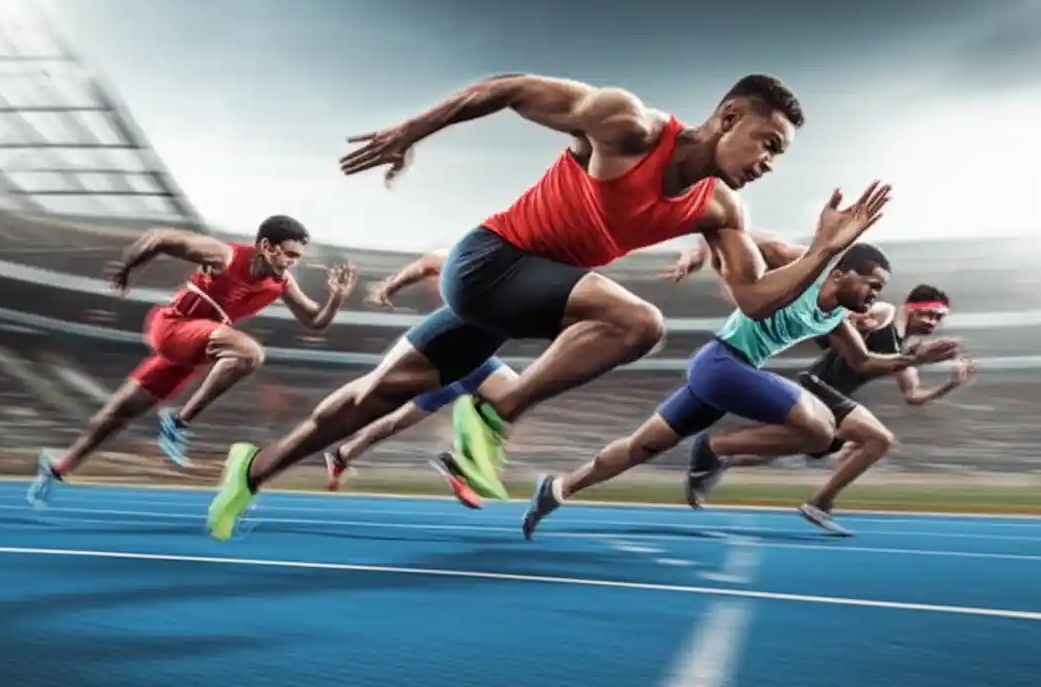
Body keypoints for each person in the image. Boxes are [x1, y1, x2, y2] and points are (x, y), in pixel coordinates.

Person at [206, 71, 890, 541]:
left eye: (782, 154)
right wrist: (414, 129)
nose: (770, 161)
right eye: (768, 143)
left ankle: (251, 472)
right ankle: (492, 414)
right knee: (638, 321)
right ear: (730, 116)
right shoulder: (628, 125)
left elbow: (755, 298)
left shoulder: (718, 207)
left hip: (517, 298)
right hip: (487, 263)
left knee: (377, 396)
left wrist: (824, 250)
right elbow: (511, 89)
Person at [520, 244, 962, 540]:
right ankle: (711, 451)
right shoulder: (800, 280)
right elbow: (742, 235)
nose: (875, 296)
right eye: (873, 285)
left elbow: (863, 362)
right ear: (842, 273)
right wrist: (700, 252)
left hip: (721, 376)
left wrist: (914, 361)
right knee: (820, 428)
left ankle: (557, 488)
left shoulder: (835, 319)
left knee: (641, 447)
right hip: (722, 362)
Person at [26, 215, 356, 507]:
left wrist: (336, 299)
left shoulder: (281, 282)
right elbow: (161, 238)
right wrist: (127, 269)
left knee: (118, 412)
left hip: (192, 349)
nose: (292, 263)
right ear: (266, 246)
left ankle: (57, 468)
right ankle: (179, 422)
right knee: (249, 353)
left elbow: (315, 321)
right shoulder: (225, 256)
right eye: (289, 254)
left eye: (298, 257)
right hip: (172, 326)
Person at [685, 284, 977, 536]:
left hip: (833, 399)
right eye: (928, 313)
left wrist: (950, 384)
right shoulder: (886, 313)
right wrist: (858, 322)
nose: (932, 321)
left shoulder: (904, 350)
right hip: (818, 387)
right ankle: (819, 503)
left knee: (775, 451)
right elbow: (850, 319)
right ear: (911, 308)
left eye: (938, 318)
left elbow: (913, 395)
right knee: (879, 440)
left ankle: (717, 456)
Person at [324, 250, 520, 508]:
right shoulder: (490, 268)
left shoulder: (526, 279)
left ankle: (342, 455)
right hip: (461, 352)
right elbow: (430, 264)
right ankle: (460, 465)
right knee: (518, 396)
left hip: (460, 359)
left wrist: (391, 287)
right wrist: (390, 286)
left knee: (398, 421)